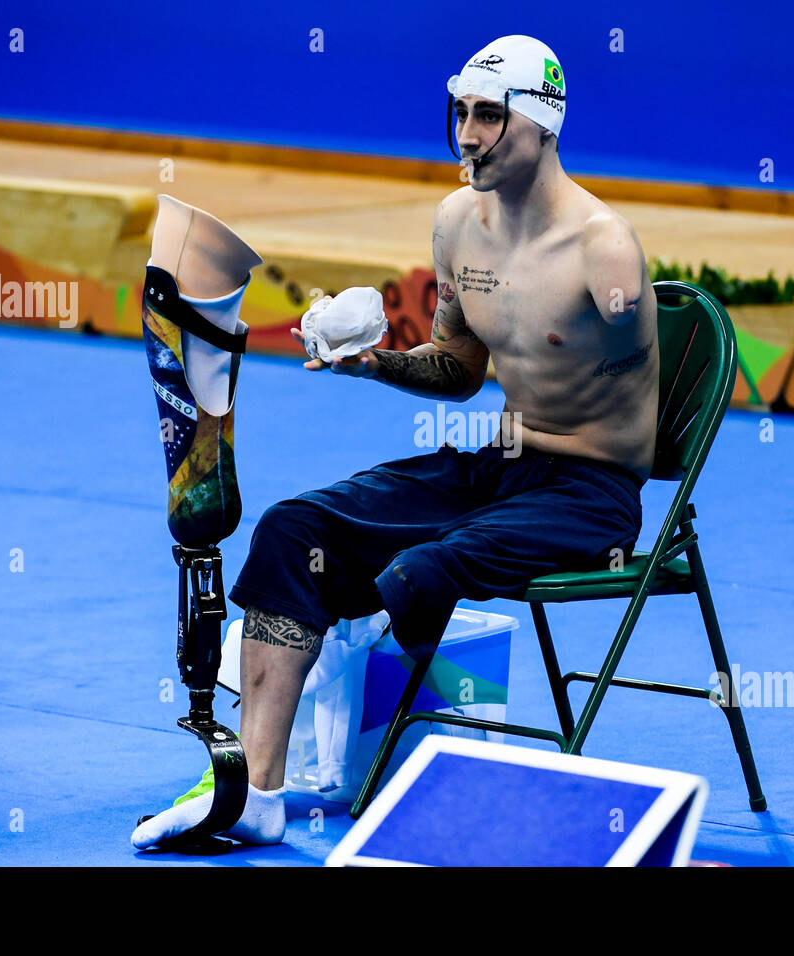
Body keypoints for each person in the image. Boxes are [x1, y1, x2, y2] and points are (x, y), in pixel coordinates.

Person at [132, 34, 659, 849]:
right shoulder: (458, 224)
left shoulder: (604, 248)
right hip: (500, 466)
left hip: (590, 495)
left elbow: (645, 399)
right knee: (292, 530)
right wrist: (370, 362)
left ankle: (408, 778)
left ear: (544, 124)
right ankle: (258, 793)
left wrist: (628, 313)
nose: (470, 133)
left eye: (492, 116)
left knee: (423, 567)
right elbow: (456, 367)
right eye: (464, 113)